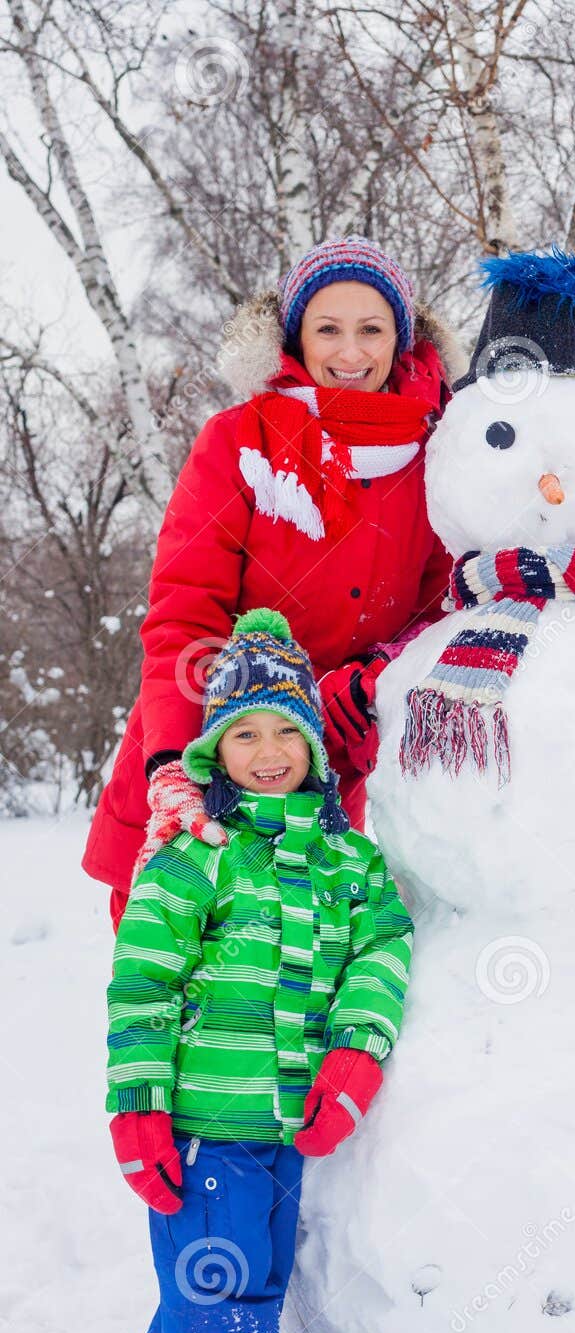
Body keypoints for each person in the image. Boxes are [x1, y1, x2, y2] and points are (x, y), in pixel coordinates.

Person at [102, 609, 414, 1333]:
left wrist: (357, 1051)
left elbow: (384, 946)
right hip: (201, 1124)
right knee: (221, 1288)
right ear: (214, 746)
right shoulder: (191, 857)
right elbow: (142, 986)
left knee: (232, 1286)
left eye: (288, 731)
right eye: (245, 733)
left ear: (316, 747)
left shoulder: (347, 861)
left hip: (284, 1127)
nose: (269, 751)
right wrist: (138, 1111)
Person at [82, 235, 461, 924]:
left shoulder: (439, 458)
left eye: (371, 330)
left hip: (327, 763)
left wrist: (374, 675)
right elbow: (184, 612)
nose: (350, 353)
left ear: (401, 341)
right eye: (328, 329)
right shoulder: (239, 441)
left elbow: (439, 610)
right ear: (295, 337)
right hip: (207, 746)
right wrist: (175, 764)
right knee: (173, 984)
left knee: (300, 974)